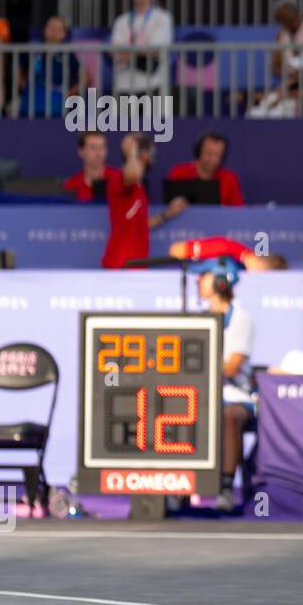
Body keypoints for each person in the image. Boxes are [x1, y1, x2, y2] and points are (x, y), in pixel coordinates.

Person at [193, 257, 256, 514]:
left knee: (228, 416)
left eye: (204, 276)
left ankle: (226, 488)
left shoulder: (241, 319)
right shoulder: (200, 318)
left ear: (220, 282)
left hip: (237, 396)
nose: (198, 281)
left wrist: (201, 361)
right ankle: (180, 488)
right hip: (204, 395)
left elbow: (230, 368)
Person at [101, 133, 188, 269]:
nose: (153, 157)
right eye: (150, 152)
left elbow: (141, 224)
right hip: (120, 264)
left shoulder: (139, 187)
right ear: (143, 154)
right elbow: (133, 174)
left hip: (138, 263)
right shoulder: (118, 178)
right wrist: (131, 153)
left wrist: (168, 214)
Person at [110, 0, 173, 96]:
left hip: (152, 84)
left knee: (153, 115)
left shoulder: (162, 18)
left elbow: (156, 49)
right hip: (124, 85)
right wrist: (141, 51)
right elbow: (113, 50)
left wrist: (127, 52)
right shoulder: (122, 20)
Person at [19, 15, 82, 118]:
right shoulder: (33, 49)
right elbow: (20, 68)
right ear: (45, 29)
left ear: (64, 34)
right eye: (51, 27)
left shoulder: (68, 54)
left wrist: (69, 94)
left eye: (58, 29)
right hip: (30, 104)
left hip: (56, 105)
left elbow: (85, 76)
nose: (54, 31)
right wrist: (23, 85)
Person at [166, 131, 246, 206]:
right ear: (198, 152)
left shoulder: (230, 178)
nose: (213, 160)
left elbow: (239, 211)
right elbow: (169, 208)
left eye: (218, 155)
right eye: (209, 154)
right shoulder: (179, 173)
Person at [63, 130, 122, 202]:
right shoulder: (71, 185)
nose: (98, 153)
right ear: (81, 151)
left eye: (101, 147)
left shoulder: (120, 179)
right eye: (92, 147)